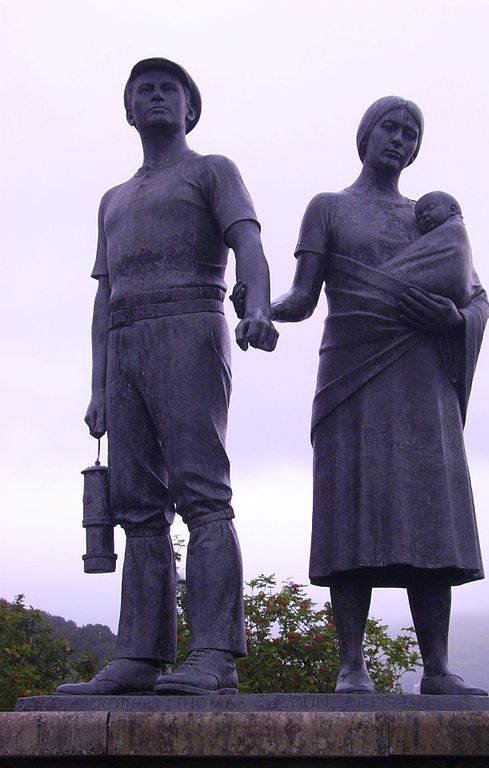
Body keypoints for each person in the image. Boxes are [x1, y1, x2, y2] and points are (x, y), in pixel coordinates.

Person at [57, 58, 278, 697]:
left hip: (191, 325)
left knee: (203, 492)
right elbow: (104, 297)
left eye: (168, 89)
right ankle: (140, 654)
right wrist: (99, 384)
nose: (156, 97)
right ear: (129, 112)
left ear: (190, 109)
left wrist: (257, 304)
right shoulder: (114, 199)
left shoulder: (213, 170)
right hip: (126, 340)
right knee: (136, 506)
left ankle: (215, 653)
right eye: (143, 91)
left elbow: (250, 246)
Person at [267, 96, 489, 695]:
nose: (400, 139)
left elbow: (475, 296)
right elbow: (301, 298)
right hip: (352, 371)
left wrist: (452, 318)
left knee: (428, 512)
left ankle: (438, 668)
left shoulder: (432, 217)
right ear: (365, 135)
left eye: (411, 133)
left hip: (420, 376)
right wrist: (260, 310)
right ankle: (351, 664)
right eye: (389, 127)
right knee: (352, 513)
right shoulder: (329, 208)